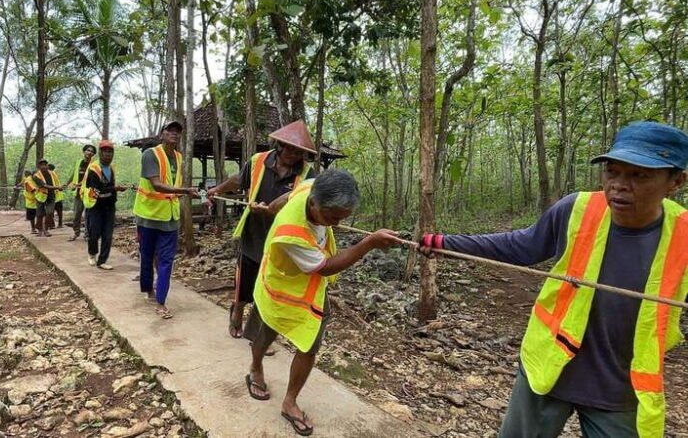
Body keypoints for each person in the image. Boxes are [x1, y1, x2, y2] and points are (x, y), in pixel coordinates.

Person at [419, 121, 688, 438]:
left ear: (676, 182)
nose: (619, 185)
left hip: (620, 387)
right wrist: (443, 244)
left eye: (639, 175)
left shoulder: (682, 234)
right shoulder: (577, 209)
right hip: (550, 368)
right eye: (612, 172)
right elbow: (521, 246)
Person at [244, 169, 403, 436]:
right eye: (331, 218)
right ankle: (255, 368)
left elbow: (287, 195)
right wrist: (369, 243)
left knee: (309, 345)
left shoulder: (311, 186)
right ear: (314, 203)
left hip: (310, 291)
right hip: (280, 287)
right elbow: (326, 266)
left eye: (342, 219)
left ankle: (290, 401)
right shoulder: (291, 232)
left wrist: (269, 207)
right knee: (267, 331)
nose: (336, 226)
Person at [208, 120, 316, 346]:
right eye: (290, 148)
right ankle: (236, 313)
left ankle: (258, 337)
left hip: (281, 238)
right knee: (245, 280)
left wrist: (277, 206)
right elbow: (239, 180)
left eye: (299, 151)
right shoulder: (258, 161)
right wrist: (218, 189)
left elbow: (306, 198)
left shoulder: (307, 173)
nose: (293, 154)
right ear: (279, 144)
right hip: (253, 232)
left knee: (269, 286)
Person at [133, 120, 198, 319]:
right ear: (161, 134)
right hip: (148, 215)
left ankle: (161, 301)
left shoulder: (179, 158)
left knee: (166, 260)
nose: (175, 134)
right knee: (147, 255)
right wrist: (185, 190)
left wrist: (186, 192)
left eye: (178, 132)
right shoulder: (150, 154)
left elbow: (172, 184)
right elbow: (156, 185)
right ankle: (148, 290)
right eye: (170, 130)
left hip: (170, 217)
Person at [82, 140, 127, 269]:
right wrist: (115, 189)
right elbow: (96, 188)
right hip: (95, 205)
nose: (108, 154)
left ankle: (102, 261)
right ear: (100, 153)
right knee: (94, 233)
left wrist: (115, 191)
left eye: (110, 152)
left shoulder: (112, 168)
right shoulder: (93, 168)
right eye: (105, 151)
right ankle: (92, 254)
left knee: (108, 234)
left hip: (109, 205)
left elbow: (110, 185)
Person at [67, 144, 97, 241]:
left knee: (89, 215)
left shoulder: (94, 164)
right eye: (88, 150)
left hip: (89, 193)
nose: (90, 152)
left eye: (92, 151)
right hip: (78, 192)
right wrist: (67, 183)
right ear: (84, 151)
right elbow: (74, 174)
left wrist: (82, 183)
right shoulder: (78, 162)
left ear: (93, 154)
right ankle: (76, 232)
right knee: (77, 214)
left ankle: (87, 235)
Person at [31, 159, 60, 237]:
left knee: (50, 213)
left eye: (45, 164)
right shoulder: (36, 176)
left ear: (47, 165)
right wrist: (57, 187)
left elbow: (57, 182)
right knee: (39, 214)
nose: (43, 166)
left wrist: (60, 187)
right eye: (41, 165)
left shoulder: (53, 173)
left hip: (51, 196)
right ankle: (40, 230)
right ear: (39, 166)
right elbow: (44, 186)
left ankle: (46, 229)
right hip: (41, 196)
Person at [48, 163, 65, 228]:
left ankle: (52, 224)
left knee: (50, 211)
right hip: (58, 195)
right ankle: (60, 224)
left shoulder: (49, 173)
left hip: (53, 195)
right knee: (59, 211)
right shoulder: (54, 174)